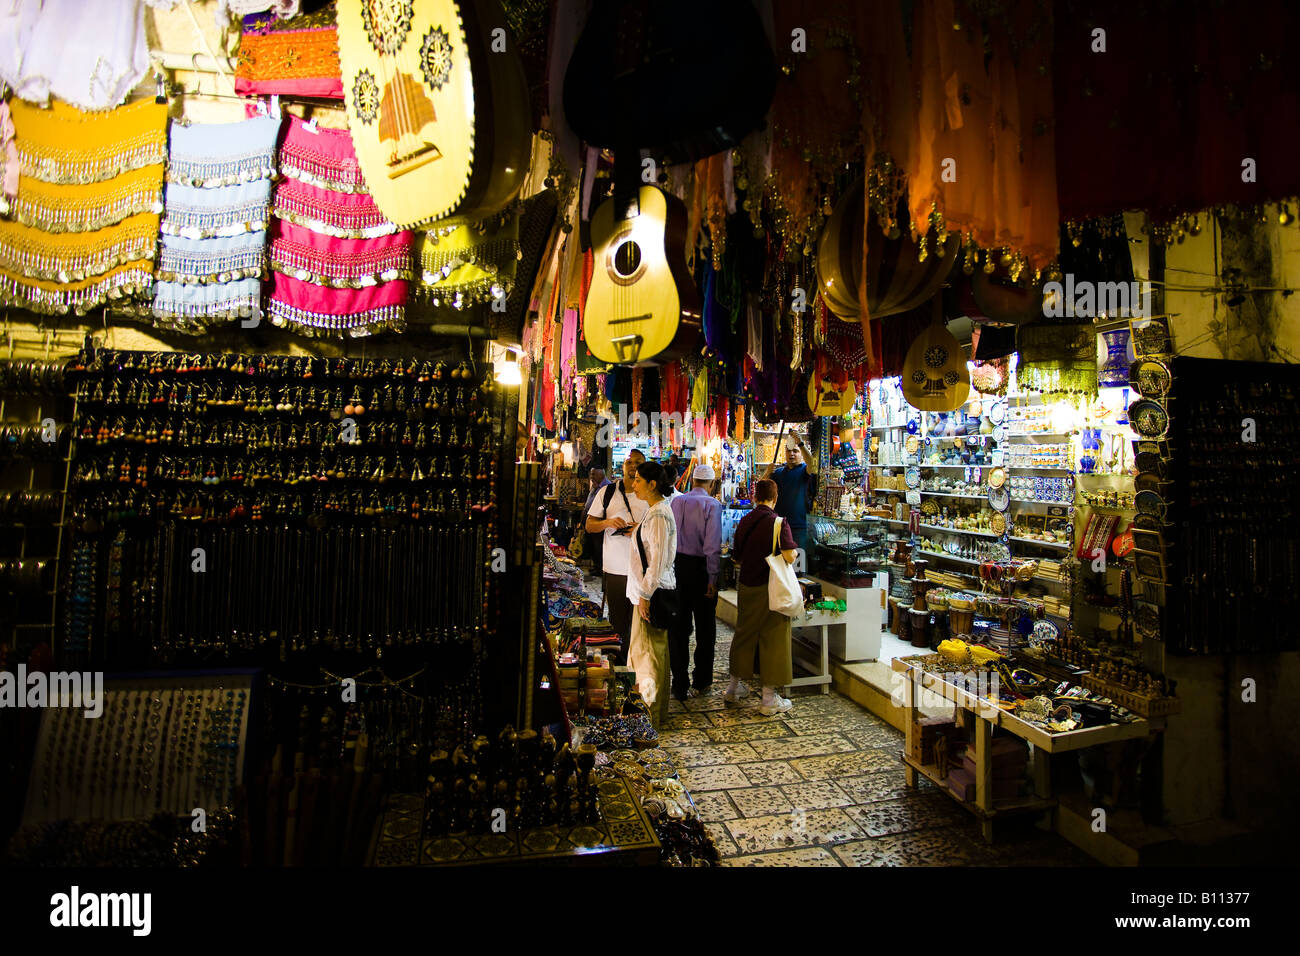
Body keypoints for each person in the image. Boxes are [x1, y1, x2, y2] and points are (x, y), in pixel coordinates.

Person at [726, 478, 798, 716]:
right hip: (771, 587)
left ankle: (733, 689)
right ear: (775, 499)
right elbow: (789, 555)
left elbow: (736, 556)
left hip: (747, 585)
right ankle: (768, 699)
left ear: (755, 497)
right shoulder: (779, 522)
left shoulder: (745, 520)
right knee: (773, 638)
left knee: (744, 634)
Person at [625, 461, 677, 729]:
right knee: (652, 653)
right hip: (647, 593)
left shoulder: (658, 515)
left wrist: (645, 595)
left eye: (637, 480)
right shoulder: (654, 512)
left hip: (652, 594)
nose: (633, 484)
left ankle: (650, 716)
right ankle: (654, 714)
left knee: (648, 657)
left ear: (652, 484)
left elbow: (657, 563)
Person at [668, 464, 723, 700]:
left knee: (678, 628)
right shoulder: (712, 505)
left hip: (678, 568)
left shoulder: (677, 502)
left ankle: (679, 683)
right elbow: (712, 546)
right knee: (705, 628)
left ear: (693, 481)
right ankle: (702, 680)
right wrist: (712, 577)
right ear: (711, 484)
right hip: (701, 571)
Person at [584, 450, 647, 654]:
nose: (633, 466)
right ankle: (618, 666)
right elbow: (590, 525)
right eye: (630, 462)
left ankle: (636, 666)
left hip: (642, 571)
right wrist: (608, 522)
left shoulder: (650, 496)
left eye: (638, 462)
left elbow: (661, 530)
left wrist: (639, 530)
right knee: (618, 621)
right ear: (624, 466)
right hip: (616, 569)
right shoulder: (607, 493)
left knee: (640, 624)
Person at [762, 433, 817, 558]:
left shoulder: (804, 471)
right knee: (779, 565)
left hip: (798, 527)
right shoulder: (778, 472)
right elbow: (762, 489)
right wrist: (767, 472)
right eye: (789, 451)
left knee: (798, 566)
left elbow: (812, 464)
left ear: (801, 454)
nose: (791, 454)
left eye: (795, 451)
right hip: (778, 525)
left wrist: (801, 444)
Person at [581, 468, 610, 574]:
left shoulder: (607, 488)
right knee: (594, 545)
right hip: (591, 520)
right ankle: (597, 566)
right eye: (591, 474)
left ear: (600, 474)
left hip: (599, 521)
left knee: (599, 546)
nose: (591, 477)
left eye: (593, 474)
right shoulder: (595, 486)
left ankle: (600, 569)